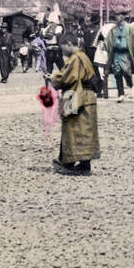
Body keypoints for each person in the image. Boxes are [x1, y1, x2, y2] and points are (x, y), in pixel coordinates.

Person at [49, 35, 100, 175]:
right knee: (85, 131)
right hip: (87, 97)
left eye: (62, 47)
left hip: (78, 97)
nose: (62, 51)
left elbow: (66, 77)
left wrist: (53, 79)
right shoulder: (83, 56)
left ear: (69, 44)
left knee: (72, 129)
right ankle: (84, 163)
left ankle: (69, 163)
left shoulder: (76, 58)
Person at [108, 12, 134, 102]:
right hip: (116, 54)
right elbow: (109, 42)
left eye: (118, 15)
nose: (117, 17)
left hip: (126, 54)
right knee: (117, 73)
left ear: (123, 16)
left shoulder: (130, 28)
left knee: (127, 73)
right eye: (116, 15)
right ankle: (121, 94)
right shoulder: (113, 30)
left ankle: (130, 87)